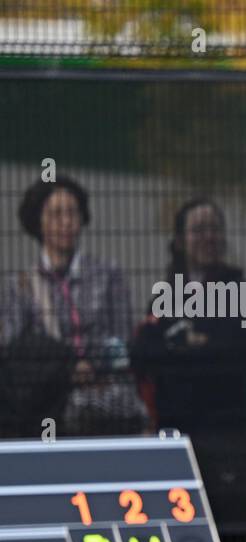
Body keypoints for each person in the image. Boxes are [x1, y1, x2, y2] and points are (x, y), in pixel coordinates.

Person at [130, 198, 246, 542]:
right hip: (178, 429)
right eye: (197, 229)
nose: (207, 236)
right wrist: (197, 347)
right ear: (180, 239)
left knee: (235, 523)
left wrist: (188, 347)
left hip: (230, 429)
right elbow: (145, 352)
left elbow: (243, 350)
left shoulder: (240, 289)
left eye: (213, 228)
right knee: (183, 522)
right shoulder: (166, 292)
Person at [2, 177, 147, 436]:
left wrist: (92, 367)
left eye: (72, 212)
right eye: (56, 214)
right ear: (39, 222)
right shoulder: (21, 285)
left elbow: (122, 340)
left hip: (107, 403)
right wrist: (66, 368)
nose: (66, 222)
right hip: (47, 407)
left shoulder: (108, 275)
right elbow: (15, 349)